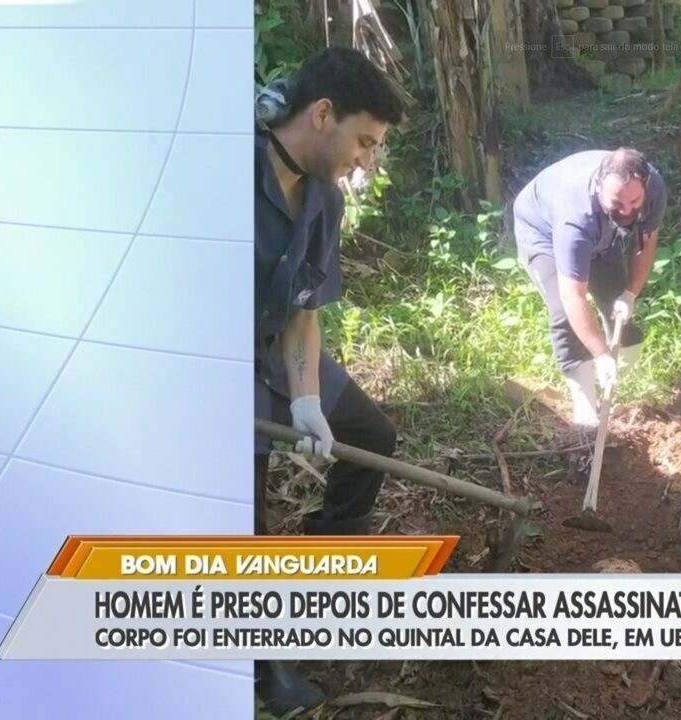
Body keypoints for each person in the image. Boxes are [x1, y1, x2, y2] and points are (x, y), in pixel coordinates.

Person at [252, 47, 405, 715]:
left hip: (275, 345)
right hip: (203, 364)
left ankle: (323, 564)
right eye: (364, 141)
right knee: (241, 518)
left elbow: (305, 315)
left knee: (372, 435)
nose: (367, 160)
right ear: (322, 115)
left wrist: (308, 397)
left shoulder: (322, 200)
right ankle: (258, 665)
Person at [512, 148, 668, 427]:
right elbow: (573, 296)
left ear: (645, 185)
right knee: (563, 313)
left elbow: (646, 239)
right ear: (598, 186)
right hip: (543, 234)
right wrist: (600, 355)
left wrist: (630, 292)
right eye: (617, 203)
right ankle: (585, 402)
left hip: (601, 236)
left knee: (615, 304)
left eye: (634, 202)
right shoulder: (575, 216)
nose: (627, 211)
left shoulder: (653, 186)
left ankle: (622, 385)